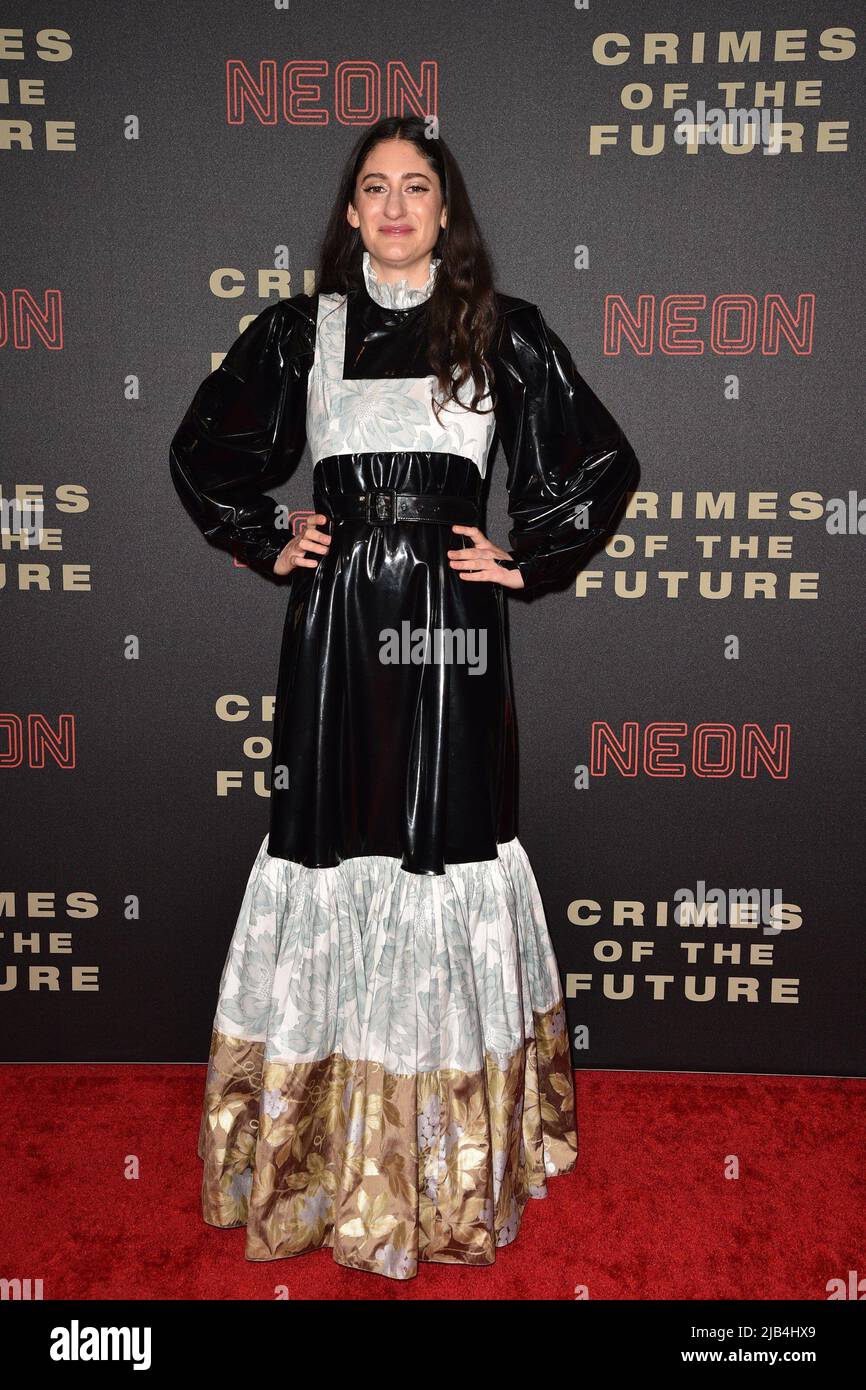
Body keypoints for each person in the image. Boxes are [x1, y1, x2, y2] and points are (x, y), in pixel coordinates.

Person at [169, 115, 639, 1282]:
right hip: (331, 633)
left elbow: (599, 461)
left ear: (445, 209)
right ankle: (318, 1153)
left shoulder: (497, 331)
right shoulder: (300, 334)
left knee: (446, 843)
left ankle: (445, 1162)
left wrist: (524, 557)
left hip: (447, 630)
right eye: (372, 189)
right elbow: (202, 450)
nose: (391, 207)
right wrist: (267, 534)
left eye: (414, 188)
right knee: (328, 843)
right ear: (347, 213)